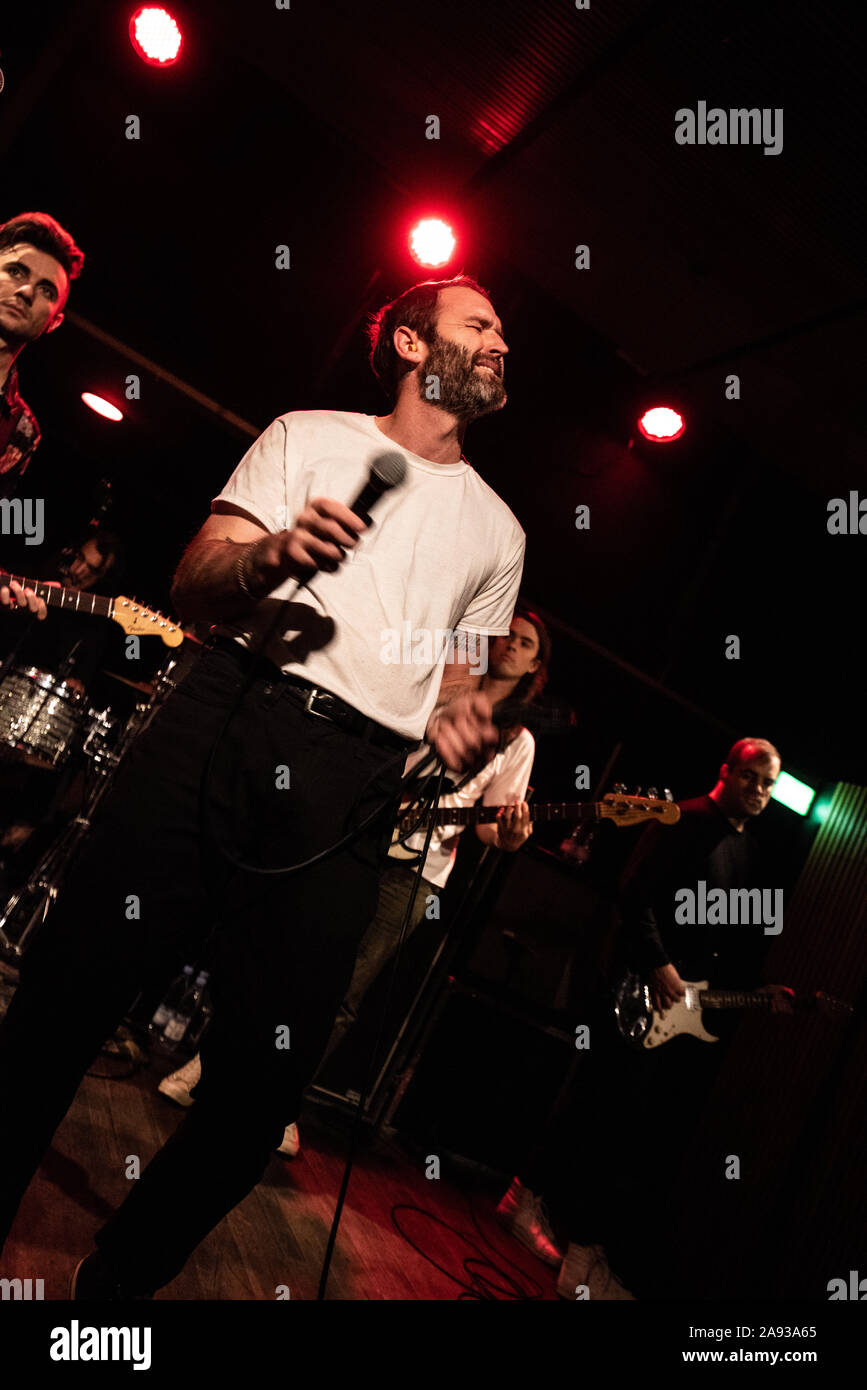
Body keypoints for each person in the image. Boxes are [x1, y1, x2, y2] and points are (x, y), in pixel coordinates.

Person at [0, 273, 525, 1300]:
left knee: (257, 1098)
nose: (503, 343)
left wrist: (464, 721)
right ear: (415, 344)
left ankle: (114, 1291)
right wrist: (273, 556)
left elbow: (459, 681)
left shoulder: (500, 534)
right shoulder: (307, 435)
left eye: (504, 332)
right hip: (225, 714)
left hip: (350, 790)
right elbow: (198, 576)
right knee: (65, 999)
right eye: (482, 324)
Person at [158, 607, 551, 1155]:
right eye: (508, 632)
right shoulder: (444, 679)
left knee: (343, 989)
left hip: (417, 869)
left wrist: (511, 834)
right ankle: (211, 1066)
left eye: (527, 642)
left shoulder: (518, 740)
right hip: (353, 826)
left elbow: (489, 828)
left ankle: (279, 1103)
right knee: (278, 957)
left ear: (536, 664)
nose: (511, 643)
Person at [496, 738, 790, 1299]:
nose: (759, 790)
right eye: (751, 777)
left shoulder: (743, 848)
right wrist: (662, 968)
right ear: (725, 771)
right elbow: (633, 896)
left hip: (673, 1009)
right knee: (598, 1109)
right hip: (635, 991)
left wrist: (754, 991)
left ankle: (567, 1233)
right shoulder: (684, 818)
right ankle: (548, 1221)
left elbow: (714, 939)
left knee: (615, 1120)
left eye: (768, 784)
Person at [0, 211, 83, 503]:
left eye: (46, 290)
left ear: (54, 322)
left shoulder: (22, 430)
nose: (26, 291)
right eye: (15, 271)